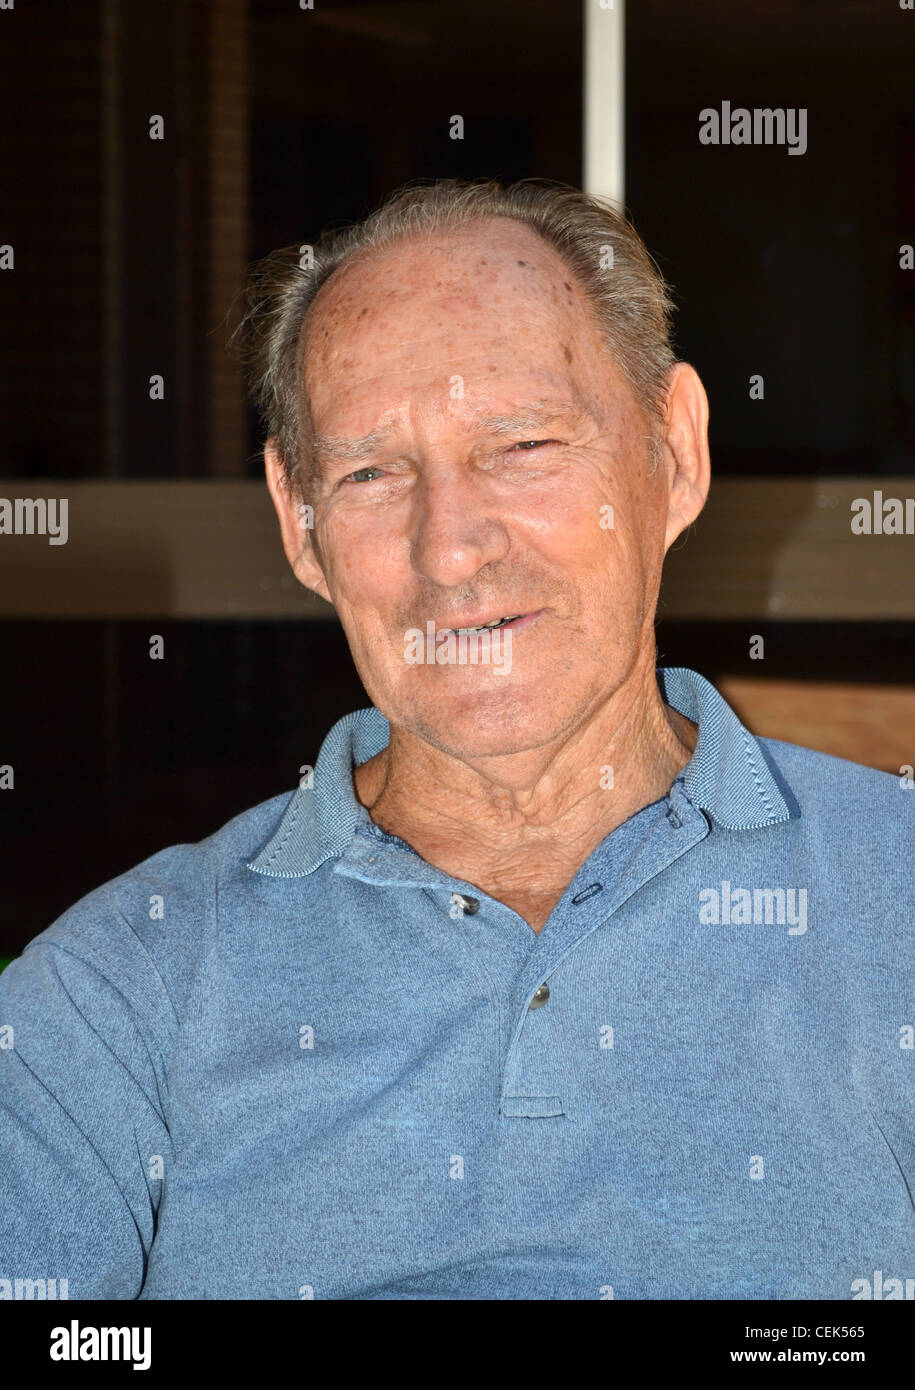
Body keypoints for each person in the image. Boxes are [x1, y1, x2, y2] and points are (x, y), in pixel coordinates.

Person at [1, 180, 912, 1301]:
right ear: (301, 523)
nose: (452, 551)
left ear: (673, 453)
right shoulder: (114, 995)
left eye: (522, 442)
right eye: (374, 473)